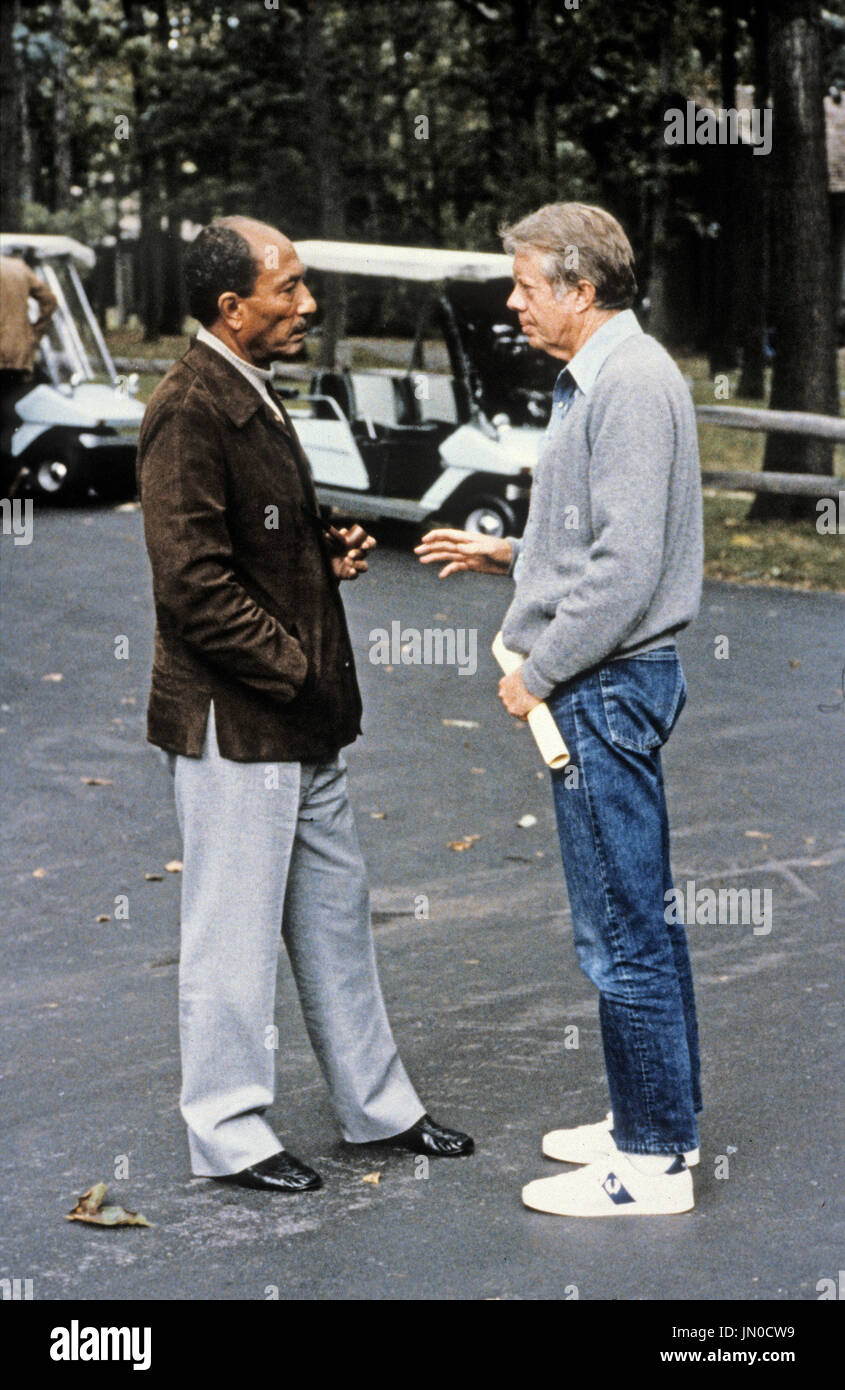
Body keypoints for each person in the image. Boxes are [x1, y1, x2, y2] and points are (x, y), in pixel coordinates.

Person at [137, 216, 473, 1194]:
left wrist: (312, 559)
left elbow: (246, 546)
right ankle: (230, 1134)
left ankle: (379, 1110)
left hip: (294, 720)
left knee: (335, 920)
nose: (307, 303)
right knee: (232, 935)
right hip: (239, 722)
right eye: (285, 289)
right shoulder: (190, 408)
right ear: (230, 306)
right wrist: (295, 663)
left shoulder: (246, 389)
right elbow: (191, 585)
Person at [416, 202, 703, 1217]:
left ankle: (654, 1161)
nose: (512, 300)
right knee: (641, 922)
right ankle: (650, 1118)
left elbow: (626, 569)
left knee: (620, 929)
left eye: (527, 284)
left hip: (603, 684)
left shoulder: (626, 385)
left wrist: (535, 671)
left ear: (581, 291)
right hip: (611, 678)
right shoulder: (611, 377)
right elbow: (594, 531)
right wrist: (510, 555)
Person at [0, 254, 57, 456]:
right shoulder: (19, 268)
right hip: (17, 353)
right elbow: (49, 301)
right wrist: (34, 333)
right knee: (10, 410)